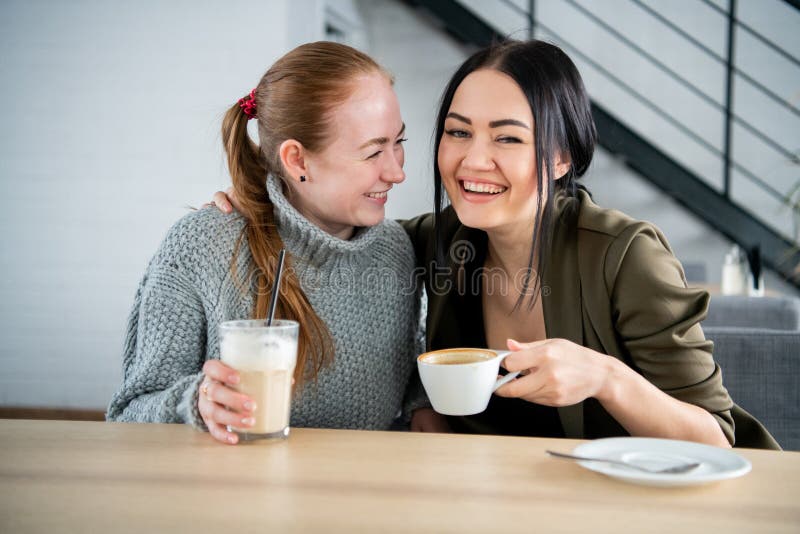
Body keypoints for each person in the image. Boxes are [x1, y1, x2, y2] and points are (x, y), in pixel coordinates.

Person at [212, 40, 778, 449]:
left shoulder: (624, 255)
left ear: (559, 158)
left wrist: (606, 377)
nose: (471, 160)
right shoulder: (436, 243)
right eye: (458, 132)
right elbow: (329, 232)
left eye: (507, 137)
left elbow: (714, 438)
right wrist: (259, 210)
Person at [107, 41, 442, 445]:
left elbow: (400, 366)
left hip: (362, 496)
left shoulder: (394, 249)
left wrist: (420, 401)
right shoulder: (201, 247)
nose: (396, 172)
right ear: (297, 160)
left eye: (398, 143)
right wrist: (195, 403)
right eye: (372, 152)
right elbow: (129, 415)